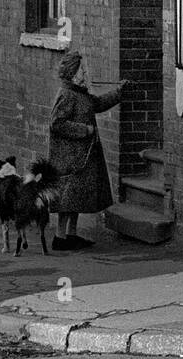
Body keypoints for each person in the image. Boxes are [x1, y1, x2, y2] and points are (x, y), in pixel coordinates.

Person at [48, 50, 125, 250]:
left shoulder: (79, 93)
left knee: (75, 199)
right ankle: (60, 237)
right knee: (67, 199)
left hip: (81, 155)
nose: (85, 72)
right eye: (82, 69)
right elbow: (57, 123)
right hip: (70, 157)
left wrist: (119, 92)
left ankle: (71, 235)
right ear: (73, 73)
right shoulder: (67, 95)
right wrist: (85, 130)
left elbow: (97, 104)